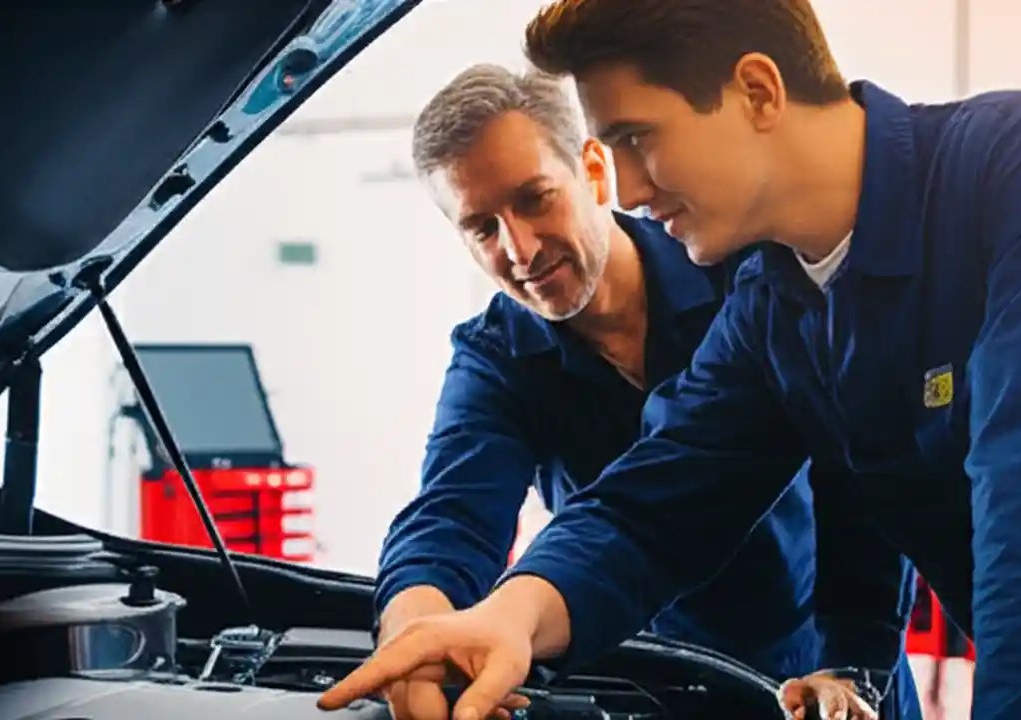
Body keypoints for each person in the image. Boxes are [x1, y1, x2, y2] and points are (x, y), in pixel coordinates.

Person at [320, 1, 1021, 716]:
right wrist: (510, 617)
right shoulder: (776, 310)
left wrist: (859, 663)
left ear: (757, 91)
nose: (623, 190)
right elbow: (651, 505)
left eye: (634, 137)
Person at [351, 63, 922, 720]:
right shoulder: (498, 358)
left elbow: (859, 474)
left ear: (594, 170)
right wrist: (416, 628)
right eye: (482, 227)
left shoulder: (745, 277)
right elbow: (453, 511)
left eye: (536, 198)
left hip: (827, 675)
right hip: (657, 687)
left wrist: (851, 663)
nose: (520, 248)